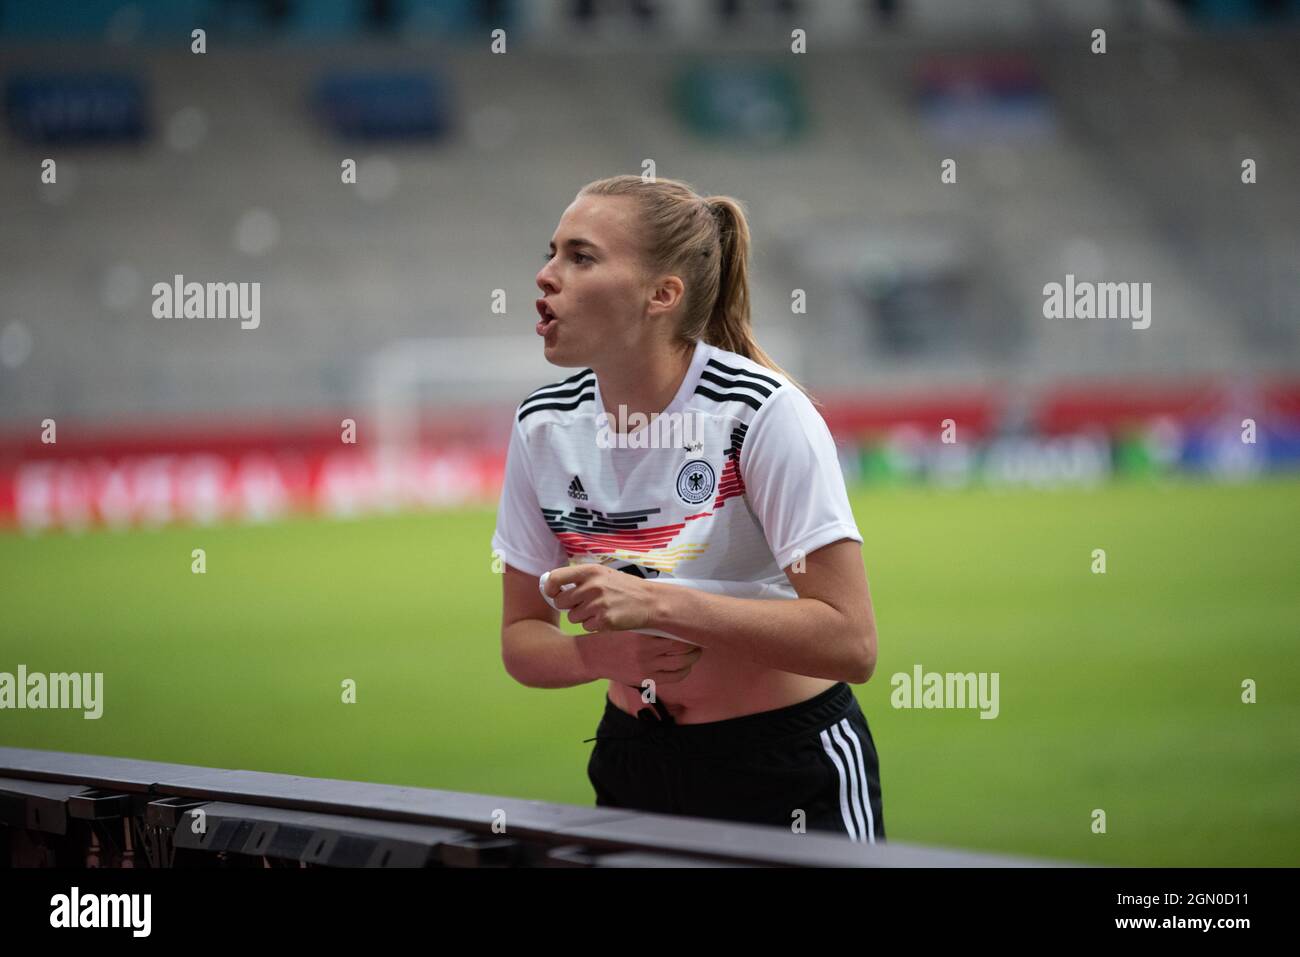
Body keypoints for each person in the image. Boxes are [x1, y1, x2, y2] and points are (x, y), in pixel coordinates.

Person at [492, 174, 884, 842]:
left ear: (662, 294)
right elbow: (521, 638)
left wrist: (659, 605)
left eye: (580, 257)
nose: (545, 276)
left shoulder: (761, 413)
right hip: (634, 760)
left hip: (786, 771)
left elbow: (852, 643)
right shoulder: (541, 425)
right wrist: (600, 658)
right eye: (551, 252)